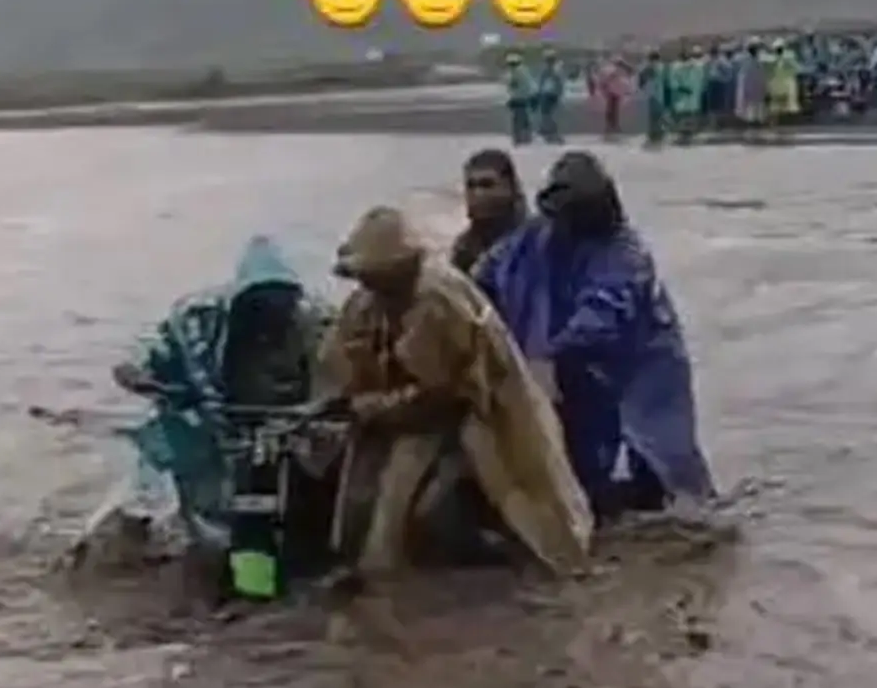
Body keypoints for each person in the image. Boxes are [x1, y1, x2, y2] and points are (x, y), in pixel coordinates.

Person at [320, 207, 593, 577]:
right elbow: (339, 360)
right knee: (364, 490)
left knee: (529, 493)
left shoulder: (438, 300)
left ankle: (532, 554)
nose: (368, 285)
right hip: (407, 408)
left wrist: (379, 406)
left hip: (480, 406)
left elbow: (442, 391)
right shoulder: (367, 302)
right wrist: (347, 400)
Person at [476, 151, 715, 520]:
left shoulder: (625, 254)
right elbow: (487, 274)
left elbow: (602, 316)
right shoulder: (536, 236)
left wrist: (549, 355)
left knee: (667, 472)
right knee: (579, 470)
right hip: (569, 369)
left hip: (640, 368)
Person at [112, 236, 339, 592]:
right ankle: (249, 586)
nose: (272, 312)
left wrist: (314, 410)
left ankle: (278, 576)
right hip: (219, 423)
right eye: (261, 302)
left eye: (281, 301)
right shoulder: (200, 321)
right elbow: (148, 349)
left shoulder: (319, 321)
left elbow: (339, 374)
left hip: (293, 427)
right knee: (227, 512)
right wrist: (136, 372)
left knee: (292, 512)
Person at [450, 148, 528, 275]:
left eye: (486, 185)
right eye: (471, 185)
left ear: (510, 188)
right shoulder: (465, 247)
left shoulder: (530, 242)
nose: (477, 193)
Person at [666, 46, 705, 143]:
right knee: (690, 115)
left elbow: (673, 83)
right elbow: (701, 80)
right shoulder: (697, 66)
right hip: (693, 95)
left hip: (682, 95)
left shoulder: (675, 67)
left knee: (682, 116)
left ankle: (684, 135)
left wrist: (682, 88)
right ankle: (688, 135)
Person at [637, 49, 669, 145]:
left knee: (653, 117)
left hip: (651, 95)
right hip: (660, 95)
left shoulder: (646, 69)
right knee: (660, 116)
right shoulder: (663, 68)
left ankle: (654, 135)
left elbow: (640, 83)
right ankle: (659, 135)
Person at [533, 48, 566, 142]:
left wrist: (539, 92)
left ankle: (550, 131)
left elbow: (543, 82)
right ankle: (546, 129)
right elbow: (560, 83)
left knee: (547, 113)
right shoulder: (556, 68)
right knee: (548, 113)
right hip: (551, 94)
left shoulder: (552, 69)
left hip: (549, 94)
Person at [503, 53, 534, 146]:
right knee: (524, 119)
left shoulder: (515, 72)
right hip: (523, 98)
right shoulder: (524, 71)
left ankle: (519, 139)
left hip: (518, 99)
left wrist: (511, 99)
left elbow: (513, 86)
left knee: (518, 119)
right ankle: (526, 138)